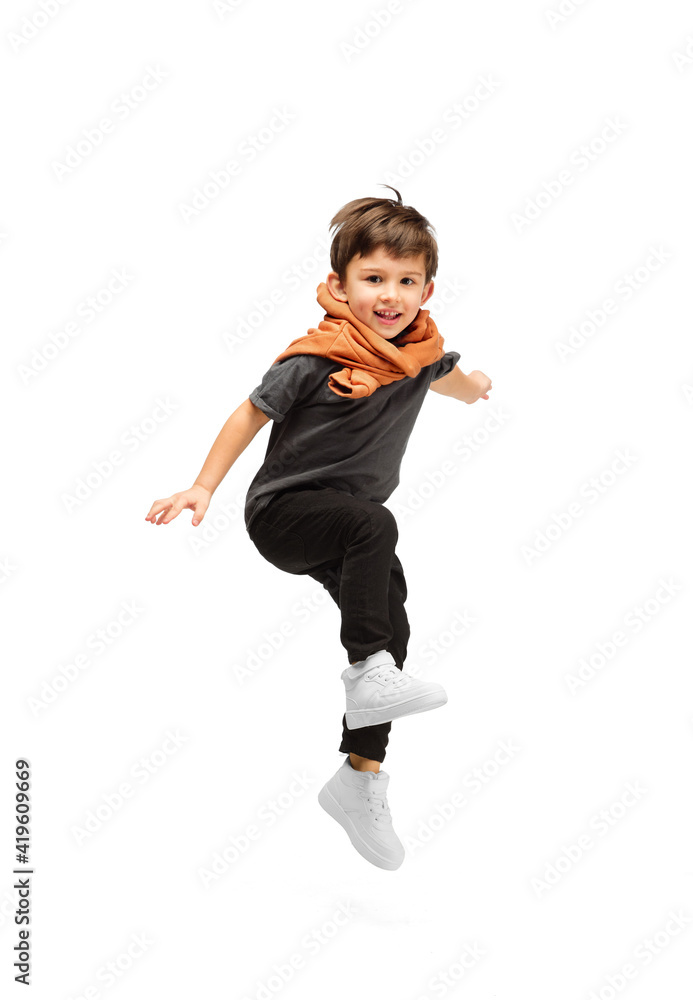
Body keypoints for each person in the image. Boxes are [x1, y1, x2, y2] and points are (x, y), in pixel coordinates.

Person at [145, 186, 492, 871]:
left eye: (405, 281)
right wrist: (202, 486)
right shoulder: (317, 356)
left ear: (426, 290)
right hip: (286, 511)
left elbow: (447, 381)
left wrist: (475, 385)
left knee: (392, 623)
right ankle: (367, 672)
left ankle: (359, 778)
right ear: (339, 285)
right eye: (373, 279)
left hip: (349, 526)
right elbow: (249, 414)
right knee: (374, 528)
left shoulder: (421, 355)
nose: (389, 295)